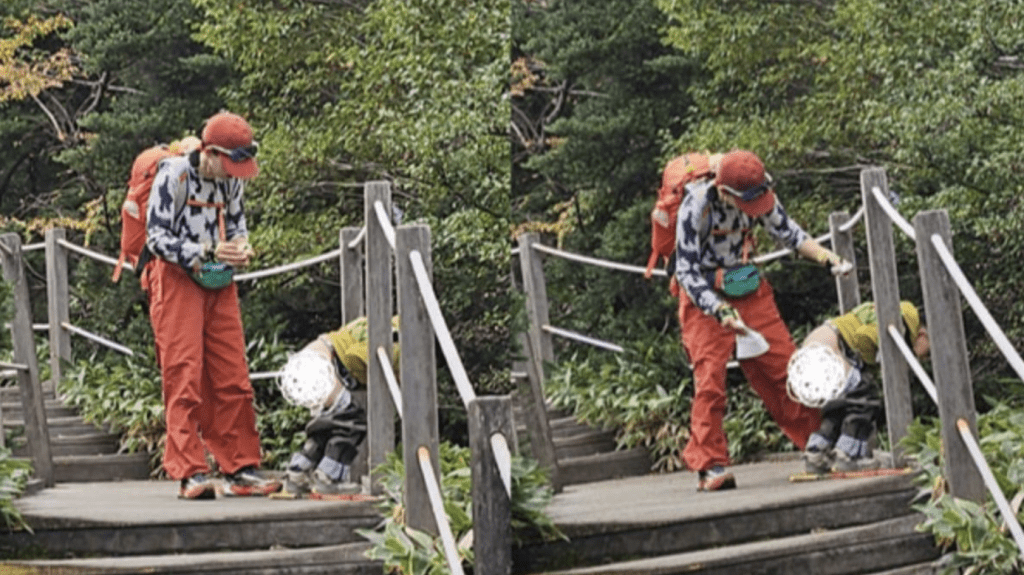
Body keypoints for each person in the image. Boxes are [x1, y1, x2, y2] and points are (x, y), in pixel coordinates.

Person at [673, 149, 854, 491]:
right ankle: (710, 465)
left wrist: (827, 258)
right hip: (703, 295)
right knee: (710, 378)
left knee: (785, 367)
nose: (755, 209)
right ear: (724, 191)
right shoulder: (695, 205)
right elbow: (685, 271)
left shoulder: (760, 194)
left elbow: (791, 234)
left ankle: (818, 445)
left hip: (745, 283)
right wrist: (720, 310)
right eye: (747, 203)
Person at [142, 111, 280, 500]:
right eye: (231, 164)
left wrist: (241, 248)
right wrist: (205, 250)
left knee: (232, 373)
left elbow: (236, 225)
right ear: (212, 152)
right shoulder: (174, 175)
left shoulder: (231, 181)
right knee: (183, 373)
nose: (236, 174)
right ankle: (190, 471)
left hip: (218, 278)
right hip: (176, 277)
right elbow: (156, 238)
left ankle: (241, 468)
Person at [792, 301, 929, 474]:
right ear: (923, 335)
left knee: (838, 408)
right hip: (832, 348)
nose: (925, 359)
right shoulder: (902, 320)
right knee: (865, 400)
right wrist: (876, 358)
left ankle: (816, 453)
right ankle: (848, 455)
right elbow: (864, 336)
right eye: (929, 353)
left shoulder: (890, 310)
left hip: (812, 348)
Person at [278, 316, 400, 496]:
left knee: (327, 427)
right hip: (322, 367)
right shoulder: (394, 340)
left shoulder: (372, 323)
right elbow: (354, 356)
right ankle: (328, 477)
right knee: (352, 422)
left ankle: (297, 473)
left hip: (306, 362)